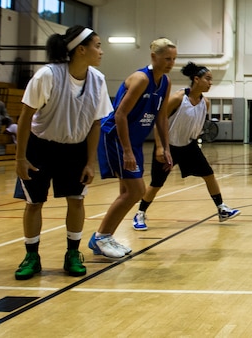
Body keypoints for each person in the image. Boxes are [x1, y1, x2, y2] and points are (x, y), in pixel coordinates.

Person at [13, 26, 113, 280]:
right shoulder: (47, 75)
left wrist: (91, 162)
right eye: (97, 46)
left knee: (76, 200)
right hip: (41, 146)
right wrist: (20, 157)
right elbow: (26, 116)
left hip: (75, 148)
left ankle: (72, 254)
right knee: (34, 202)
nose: (101, 51)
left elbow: (95, 123)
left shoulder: (98, 80)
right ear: (81, 49)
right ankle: (32, 256)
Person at [90, 38, 176, 259]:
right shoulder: (140, 79)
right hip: (116, 137)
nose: (171, 63)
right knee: (136, 191)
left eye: (174, 59)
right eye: (167, 58)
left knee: (126, 192)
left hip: (134, 140)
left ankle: (107, 236)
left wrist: (165, 147)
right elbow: (120, 114)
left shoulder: (165, 82)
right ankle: (100, 237)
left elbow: (161, 117)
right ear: (153, 57)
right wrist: (127, 151)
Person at [132, 62, 240, 230]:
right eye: (208, 79)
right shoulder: (178, 98)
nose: (210, 83)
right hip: (169, 147)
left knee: (209, 175)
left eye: (211, 80)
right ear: (196, 79)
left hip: (189, 146)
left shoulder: (206, 102)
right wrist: (161, 148)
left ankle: (221, 209)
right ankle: (140, 213)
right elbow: (158, 123)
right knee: (156, 184)